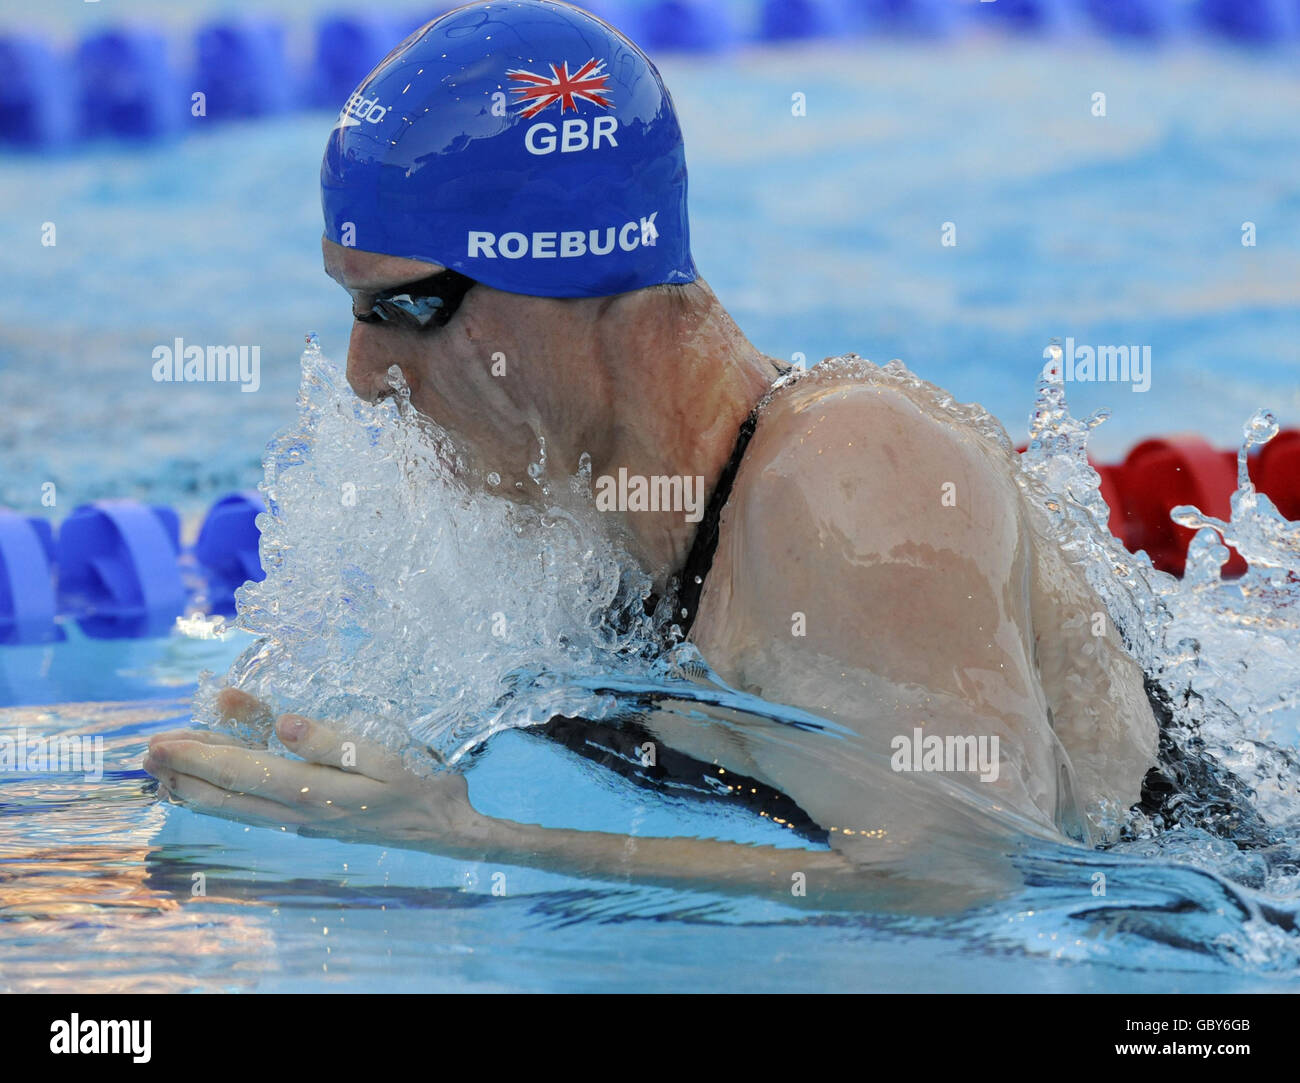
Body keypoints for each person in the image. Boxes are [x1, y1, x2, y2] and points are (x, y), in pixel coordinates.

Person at [144, 0, 1157, 907]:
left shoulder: (850, 475)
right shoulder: (583, 518)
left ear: (583, 282)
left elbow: (962, 884)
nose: (366, 371)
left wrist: (460, 838)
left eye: (409, 305)